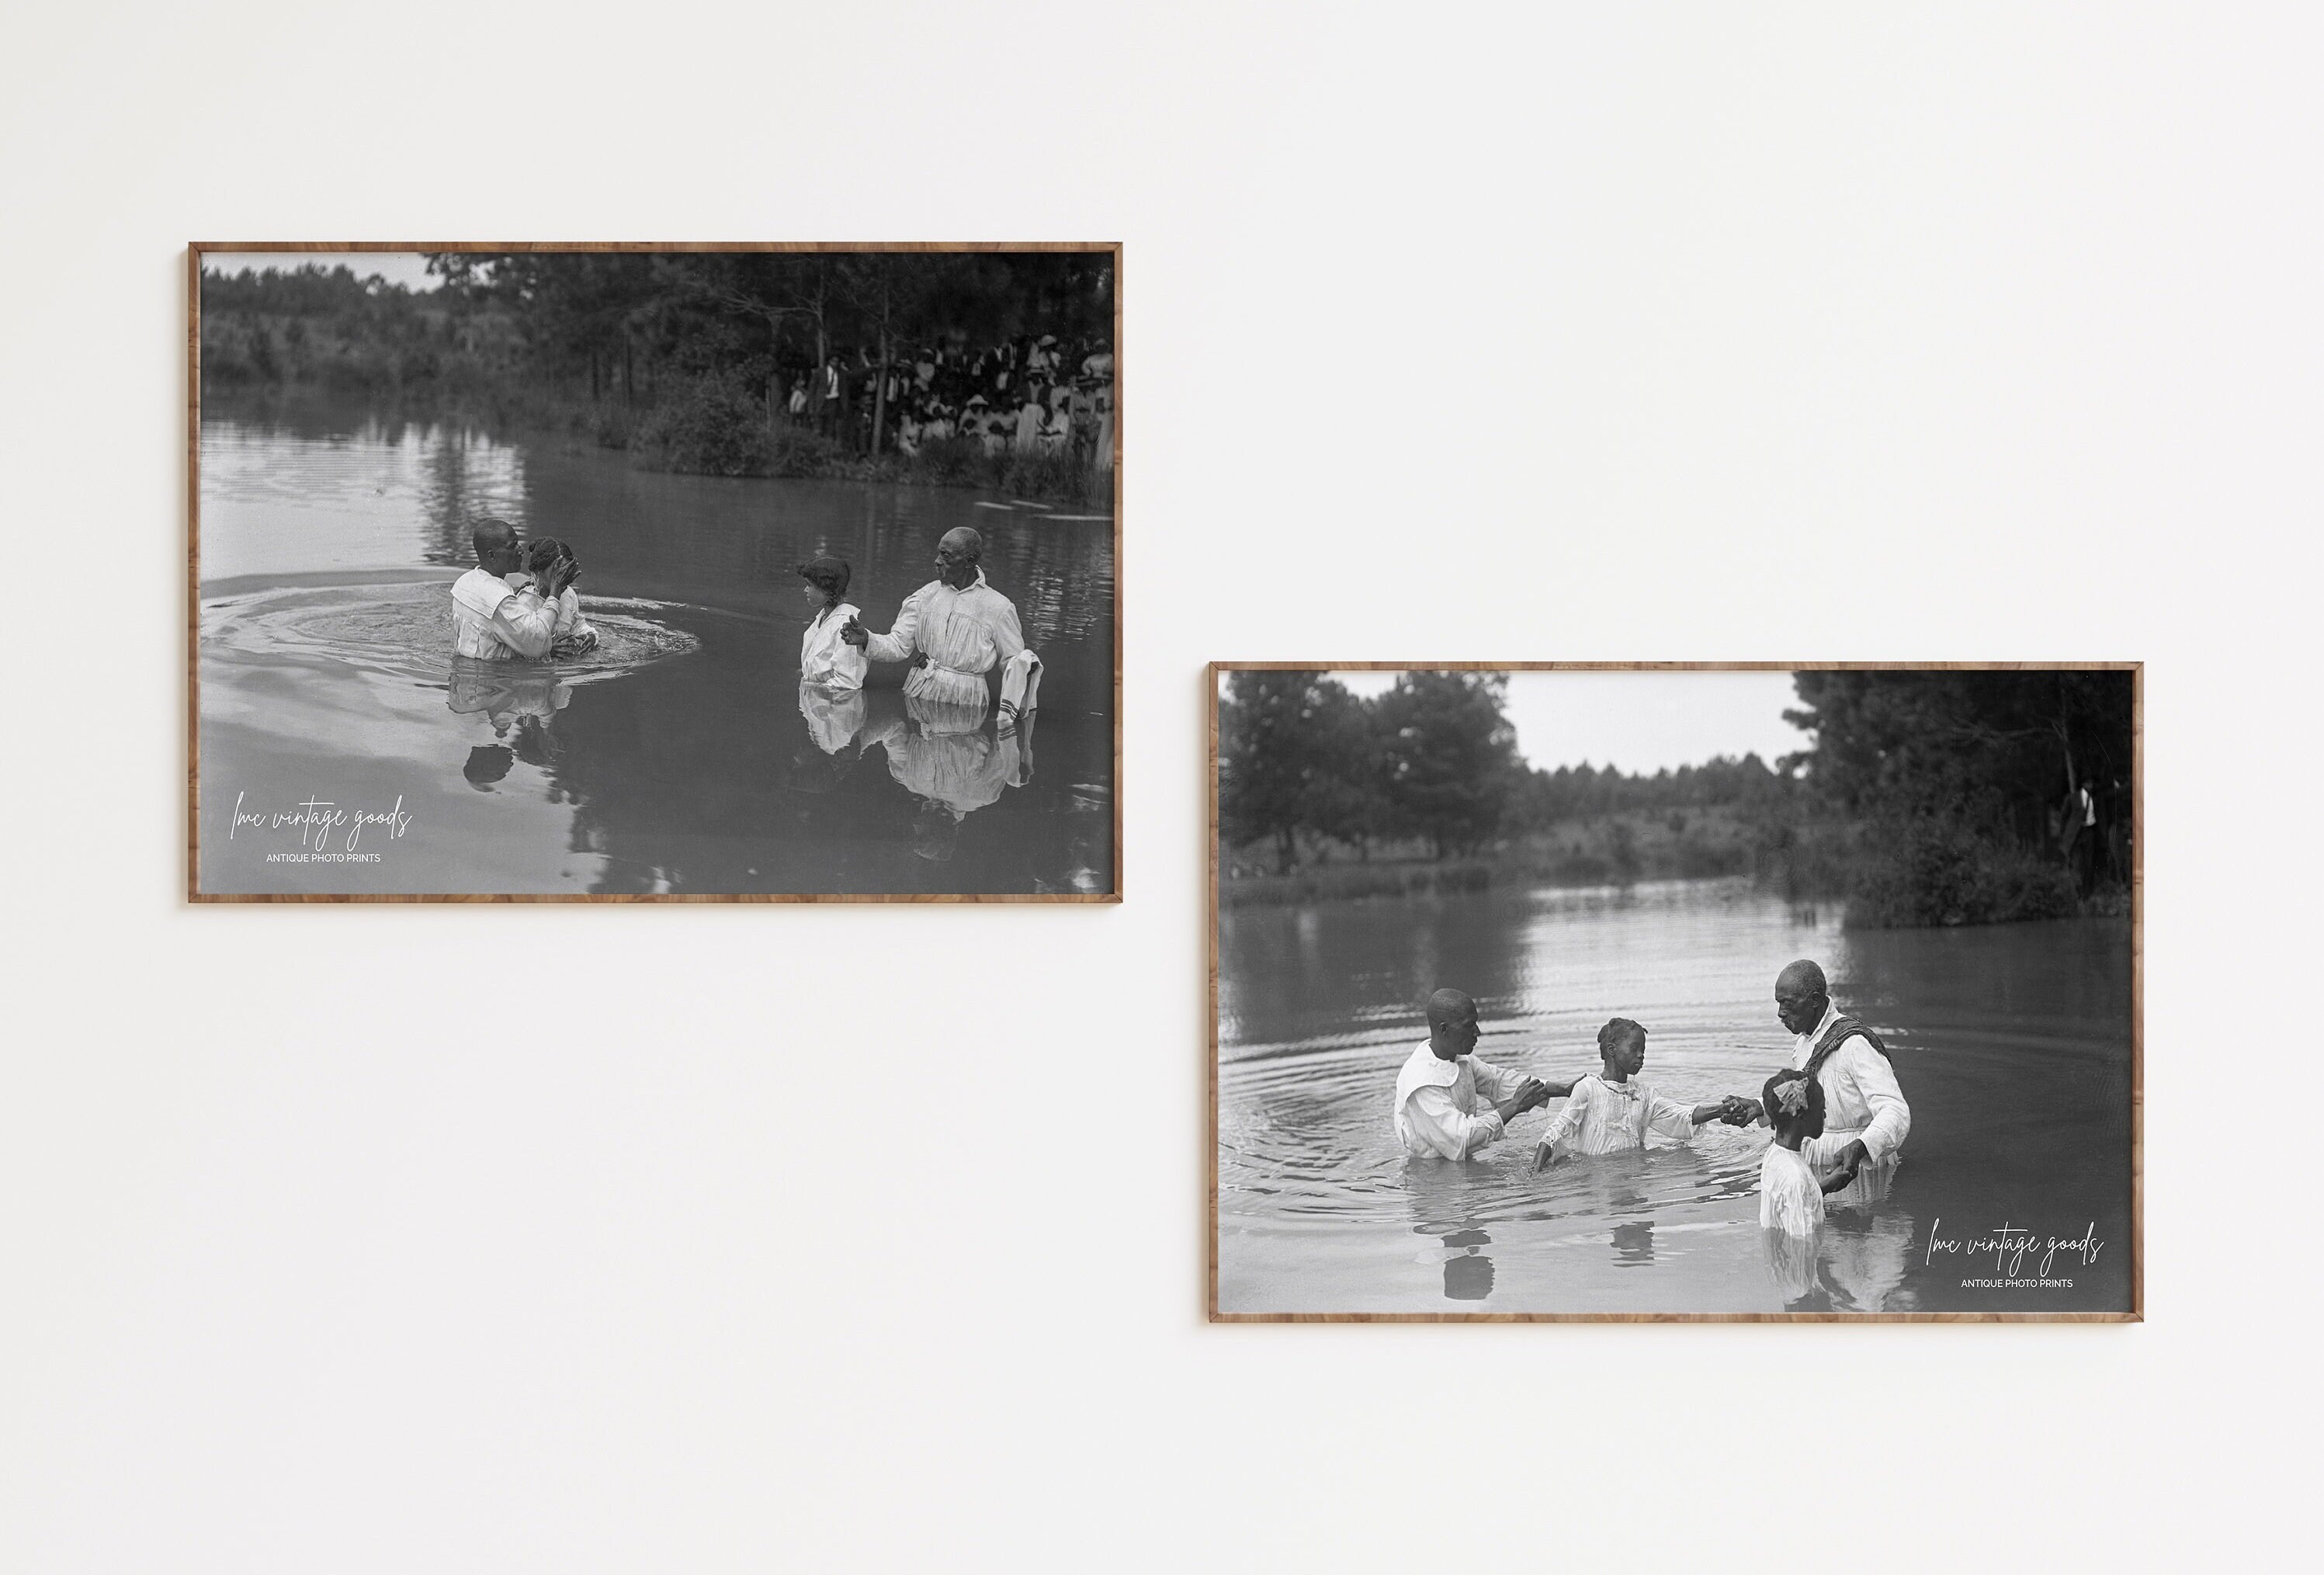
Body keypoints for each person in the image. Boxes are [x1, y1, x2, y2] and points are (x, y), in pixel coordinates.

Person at [1729, 959, 1911, 1205]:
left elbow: (1896, 1111)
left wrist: (1860, 1147)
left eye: (1788, 1004)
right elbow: (1805, 1097)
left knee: (1856, 1230)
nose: (1780, 1012)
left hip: (1858, 1165)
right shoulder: (1805, 1042)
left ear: (1815, 1000)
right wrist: (1760, 1106)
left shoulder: (1855, 1045)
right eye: (1779, 1003)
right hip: (1817, 1159)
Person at [839, 527, 1042, 720]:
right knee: (917, 748)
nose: (937, 562)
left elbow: (1013, 664)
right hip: (918, 691)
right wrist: (867, 639)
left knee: (965, 749)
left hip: (966, 701)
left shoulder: (998, 607)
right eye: (938, 554)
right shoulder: (926, 595)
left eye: (946, 556)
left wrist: (1025, 667)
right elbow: (899, 645)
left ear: (969, 561)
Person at [1530, 1018, 1747, 1168]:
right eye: (1634, 1049)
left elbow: (1681, 1115)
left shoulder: (1643, 1095)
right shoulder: (1588, 1088)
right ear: (1612, 1050)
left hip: (1632, 1174)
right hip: (1596, 1182)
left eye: (1643, 1049)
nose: (1641, 1055)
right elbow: (1555, 1133)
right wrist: (1533, 1177)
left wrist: (1723, 1109)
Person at [1393, 987, 1571, 1160]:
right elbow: (1462, 1138)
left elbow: (1498, 1081)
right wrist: (1515, 1106)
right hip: (1432, 1179)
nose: (1477, 1032)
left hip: (1456, 1167)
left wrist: (1563, 1089)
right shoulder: (1422, 1082)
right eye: (1469, 1025)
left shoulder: (1459, 1059)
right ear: (1444, 1029)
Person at [1757, 1068, 1864, 1237]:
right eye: (1821, 1108)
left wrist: (1823, 1187)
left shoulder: (1775, 1155)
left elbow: (1792, 1203)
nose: (1825, 1114)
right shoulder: (1796, 1178)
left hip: (1778, 1262)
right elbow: (1802, 1247)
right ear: (1802, 1116)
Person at [450, 518, 573, 661]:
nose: (521, 550)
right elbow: (538, 642)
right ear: (491, 555)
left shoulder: (465, 581)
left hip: (463, 674)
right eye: (512, 546)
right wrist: (555, 590)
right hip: (494, 678)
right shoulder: (499, 600)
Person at [796, 556, 866, 691]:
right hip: (813, 703)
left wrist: (810, 687)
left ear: (826, 589)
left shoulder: (847, 627)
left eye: (809, 585)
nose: (805, 590)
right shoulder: (822, 619)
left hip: (833, 707)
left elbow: (848, 684)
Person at [523, 537, 598, 658]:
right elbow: (517, 647)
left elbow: (578, 625)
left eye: (565, 571)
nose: (562, 577)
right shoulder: (525, 601)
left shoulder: (568, 594)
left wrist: (590, 636)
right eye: (556, 571)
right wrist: (547, 650)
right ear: (539, 570)